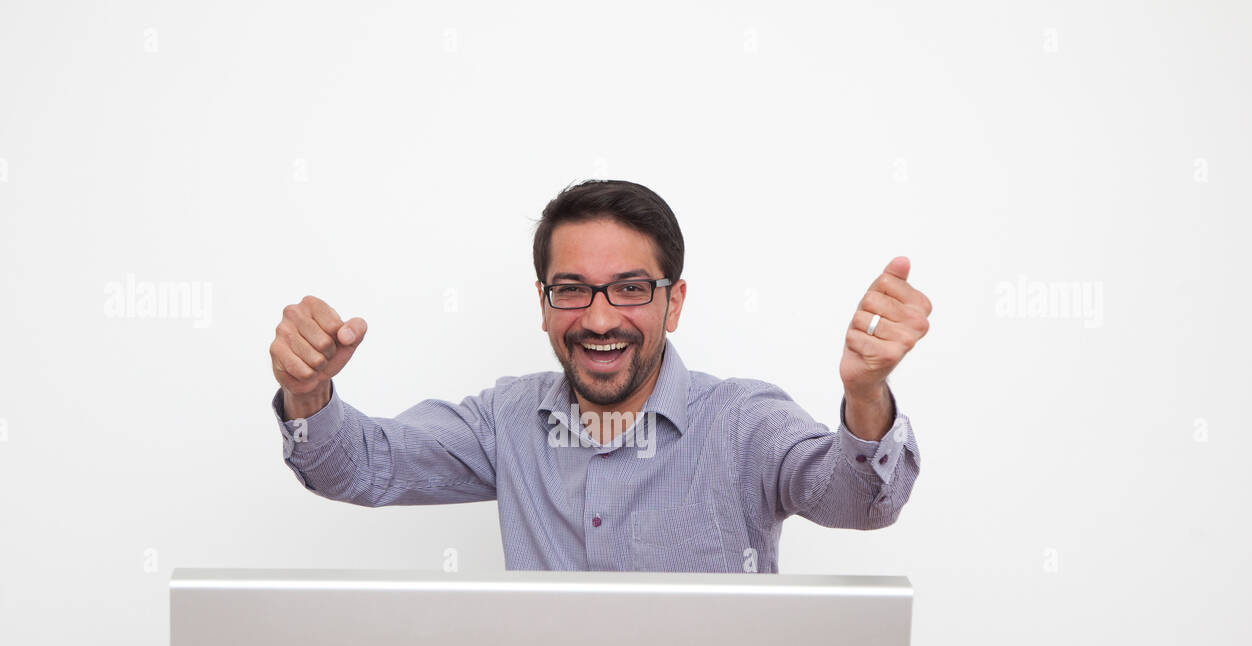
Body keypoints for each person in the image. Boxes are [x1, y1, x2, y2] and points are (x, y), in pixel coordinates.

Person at [269, 179, 930, 573]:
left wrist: (865, 393)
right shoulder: (506, 421)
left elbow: (863, 502)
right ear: (544, 304)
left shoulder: (745, 422)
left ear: (674, 302)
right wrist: (308, 390)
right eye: (573, 290)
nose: (601, 318)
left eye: (631, 288)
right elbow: (360, 466)